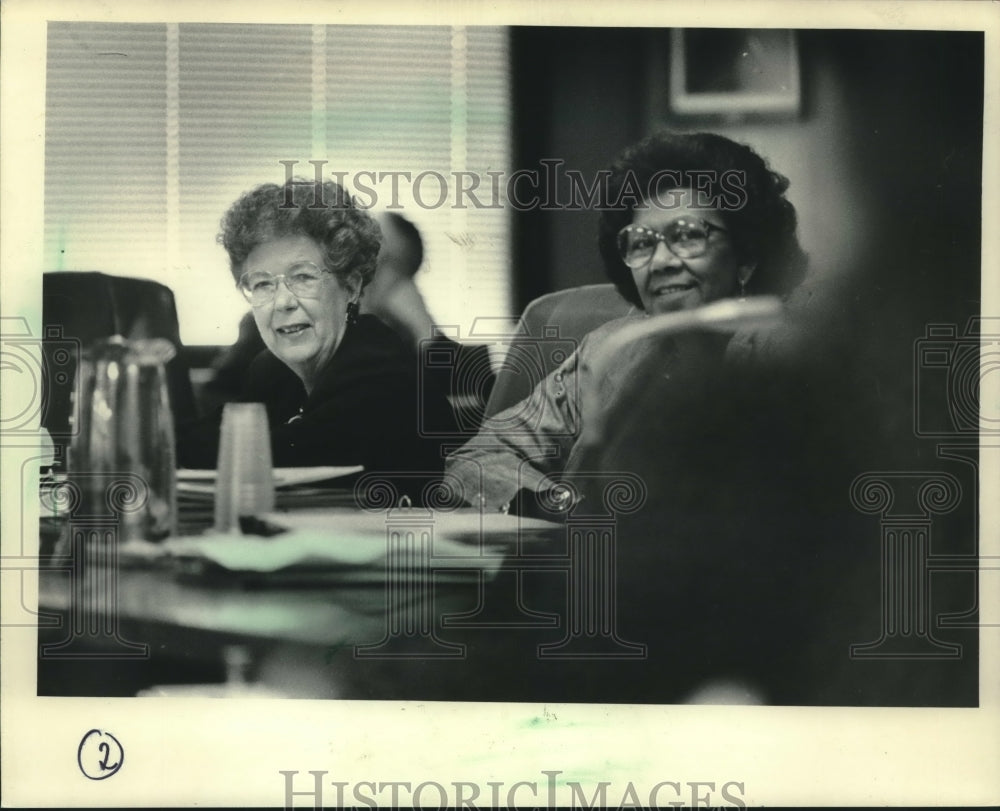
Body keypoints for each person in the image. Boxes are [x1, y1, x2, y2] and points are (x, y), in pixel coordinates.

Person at [444, 131, 809, 511]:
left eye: (687, 236)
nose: (661, 261)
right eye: (642, 242)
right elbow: (476, 461)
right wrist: (563, 504)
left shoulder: (794, 358)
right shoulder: (607, 352)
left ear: (747, 258)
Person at [176, 177, 456, 477]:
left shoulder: (381, 370)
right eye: (262, 284)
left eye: (304, 278)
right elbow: (189, 442)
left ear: (350, 286)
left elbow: (279, 453)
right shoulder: (274, 371)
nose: (282, 302)